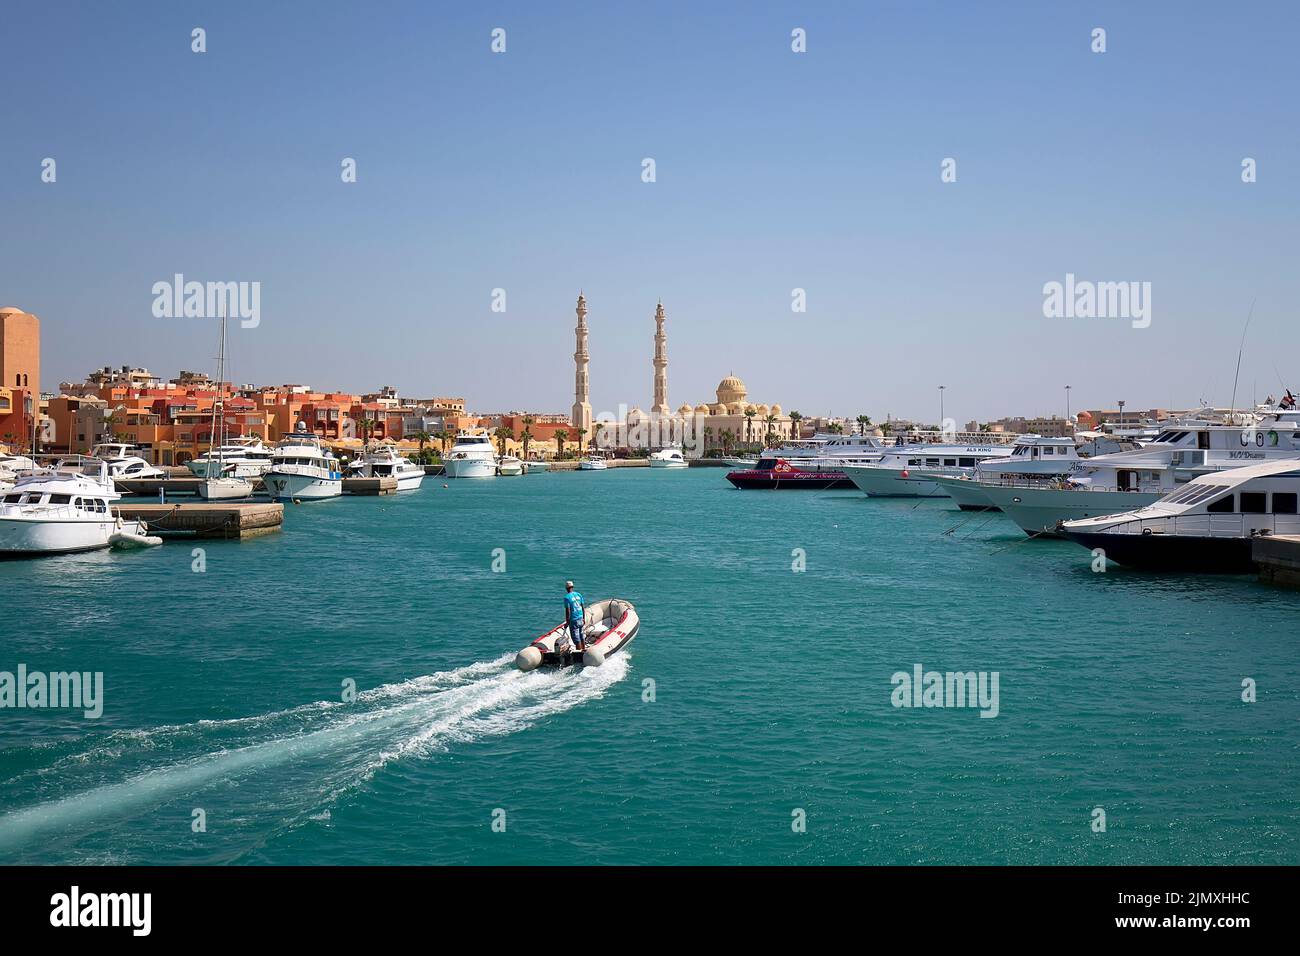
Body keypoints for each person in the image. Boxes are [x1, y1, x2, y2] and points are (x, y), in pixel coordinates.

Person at [562, 581, 586, 653]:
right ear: (572, 587)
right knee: (581, 636)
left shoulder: (567, 598)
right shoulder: (579, 595)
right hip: (581, 618)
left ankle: (579, 654)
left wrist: (567, 622)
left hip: (574, 620)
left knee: (576, 639)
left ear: (566, 588)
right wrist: (584, 618)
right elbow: (583, 607)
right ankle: (583, 651)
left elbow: (568, 611)